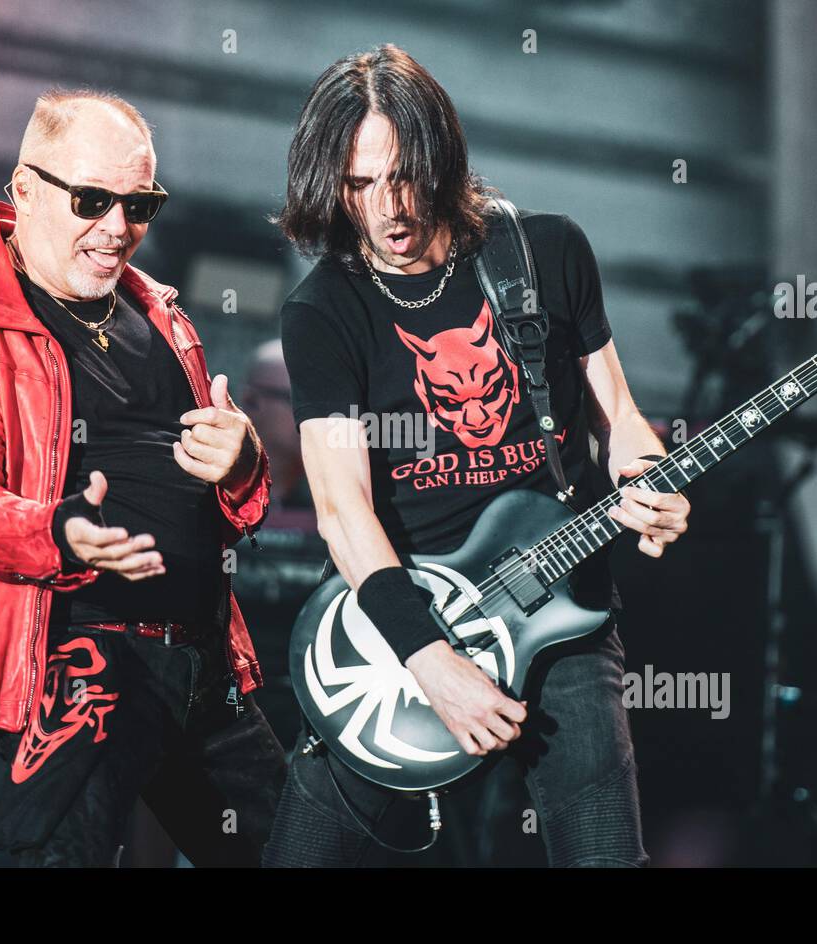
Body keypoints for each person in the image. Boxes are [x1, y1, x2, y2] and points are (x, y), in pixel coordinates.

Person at [264, 45, 690, 867]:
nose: (385, 207)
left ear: (441, 160)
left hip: (561, 607)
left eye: (402, 177)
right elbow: (343, 512)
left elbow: (624, 424)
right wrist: (432, 663)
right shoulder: (323, 310)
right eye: (357, 185)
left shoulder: (545, 253)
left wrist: (650, 480)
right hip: (404, 625)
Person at [0, 88, 285, 867]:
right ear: (26, 189)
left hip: (199, 661)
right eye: (92, 199)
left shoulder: (165, 316)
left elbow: (231, 505)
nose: (117, 228)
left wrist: (241, 462)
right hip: (71, 668)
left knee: (300, 854)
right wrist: (57, 532)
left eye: (140, 204)